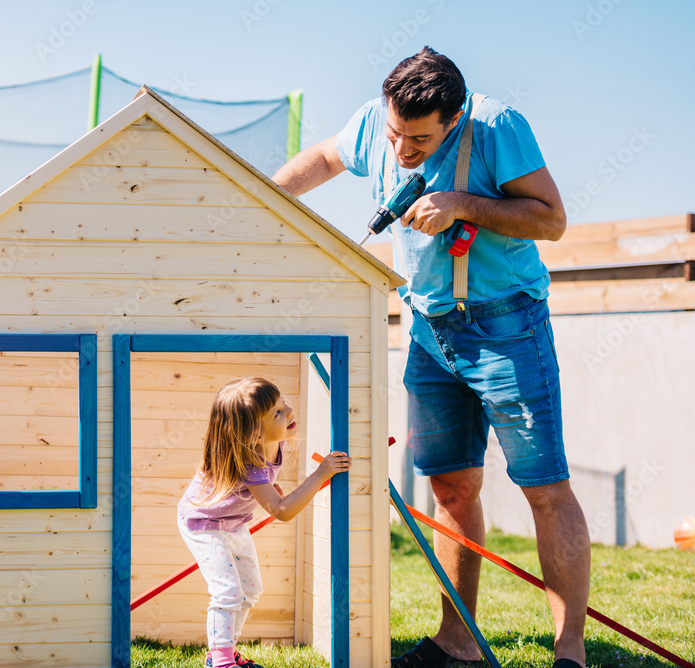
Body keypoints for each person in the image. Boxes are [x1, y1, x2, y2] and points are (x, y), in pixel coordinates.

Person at [271, 47, 590, 668]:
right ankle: (458, 643)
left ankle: (570, 654)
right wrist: (267, 201)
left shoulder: (498, 128)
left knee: (545, 488)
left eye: (417, 140)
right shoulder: (377, 121)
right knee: (449, 487)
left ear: (454, 117)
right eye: (394, 134)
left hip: (506, 328)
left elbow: (552, 221)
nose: (399, 151)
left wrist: (465, 204)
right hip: (426, 331)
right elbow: (323, 159)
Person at [178, 376, 352, 668]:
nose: (288, 411)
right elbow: (282, 511)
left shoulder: (274, 443)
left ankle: (226, 650)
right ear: (255, 436)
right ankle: (220, 660)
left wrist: (273, 492)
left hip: (233, 523)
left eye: (282, 402)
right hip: (204, 525)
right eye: (277, 413)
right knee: (228, 591)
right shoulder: (251, 463)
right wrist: (321, 474)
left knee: (250, 590)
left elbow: (266, 492)